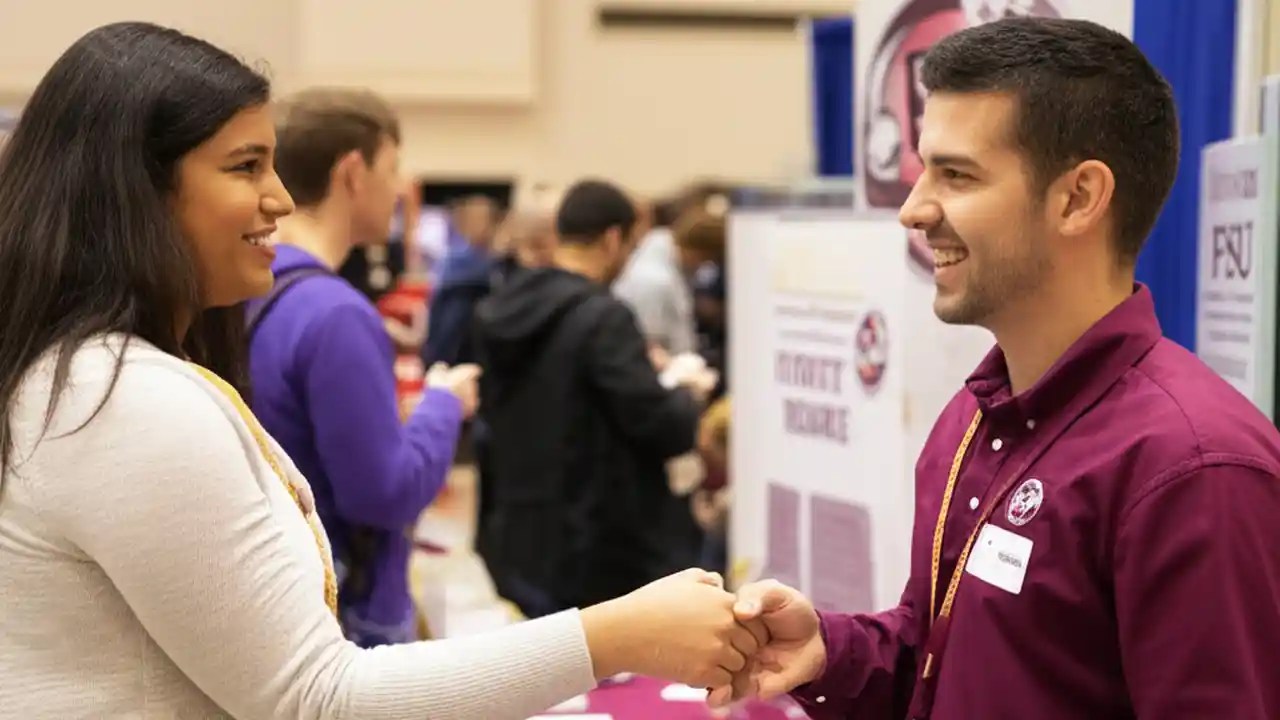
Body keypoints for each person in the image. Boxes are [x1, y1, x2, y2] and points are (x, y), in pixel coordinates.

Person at [0, 22, 765, 719]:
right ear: (138, 191)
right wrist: (612, 635)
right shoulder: (128, 402)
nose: (278, 198)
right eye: (244, 166)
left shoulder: (80, 380)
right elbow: (318, 690)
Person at [715, 17, 1280, 719]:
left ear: (1078, 198)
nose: (915, 210)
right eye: (925, 172)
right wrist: (831, 650)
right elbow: (939, 657)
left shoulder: (1193, 467)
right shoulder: (976, 417)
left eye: (956, 176)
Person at [246, 88, 477, 647]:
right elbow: (383, 493)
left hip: (274, 601)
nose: (399, 190)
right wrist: (444, 407)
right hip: (347, 617)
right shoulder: (334, 314)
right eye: (392, 169)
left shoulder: (247, 290)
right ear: (353, 172)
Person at [472, 179, 716, 619]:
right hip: (591, 544)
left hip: (517, 532)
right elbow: (661, 424)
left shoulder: (501, 308)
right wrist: (685, 394)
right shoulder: (603, 319)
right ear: (612, 238)